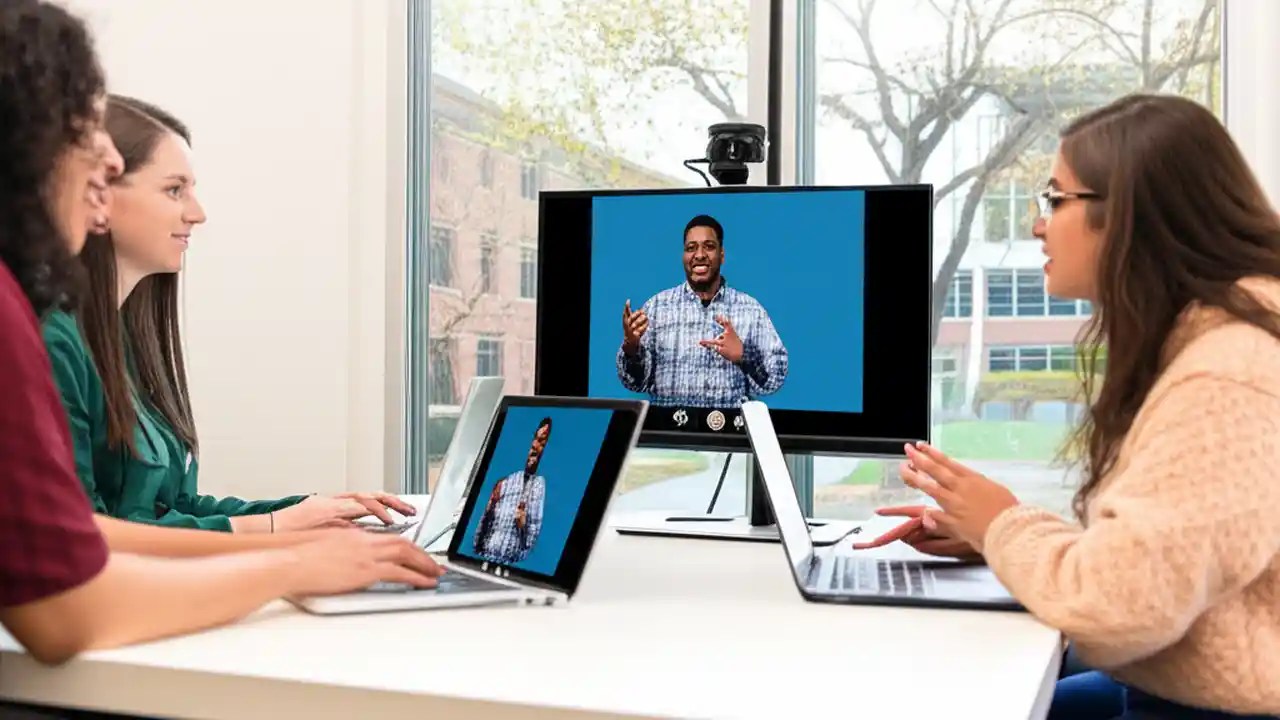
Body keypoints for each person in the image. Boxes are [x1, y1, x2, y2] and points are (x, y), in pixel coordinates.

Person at [0, 0, 441, 673]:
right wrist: (285, 556)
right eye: (84, 128)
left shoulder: (64, 325)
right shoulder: (29, 326)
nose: (107, 159)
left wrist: (289, 532)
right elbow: (70, 599)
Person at [859, 94, 1280, 719]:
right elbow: (1152, 564)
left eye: (1055, 201)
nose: (1037, 224)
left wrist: (1003, 525)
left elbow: (1116, 610)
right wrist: (990, 533)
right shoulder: (1216, 338)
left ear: (1132, 217)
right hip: (1177, 678)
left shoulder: (1230, 373)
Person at [41, 94, 414, 533]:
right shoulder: (53, 342)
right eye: (174, 189)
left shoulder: (125, 340)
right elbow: (88, 534)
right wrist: (275, 527)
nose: (197, 213)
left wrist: (309, 511)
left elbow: (172, 507)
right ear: (100, 190)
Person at [616, 214, 788, 408]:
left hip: (729, 433)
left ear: (721, 255)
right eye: (691, 248)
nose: (699, 255)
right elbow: (635, 383)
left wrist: (744, 355)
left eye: (709, 246)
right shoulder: (656, 308)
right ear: (683, 256)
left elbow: (775, 378)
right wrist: (631, 349)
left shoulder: (750, 309)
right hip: (668, 433)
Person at [474, 418, 550, 564]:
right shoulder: (505, 482)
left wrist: (522, 525)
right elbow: (479, 539)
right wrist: (489, 508)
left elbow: (529, 545)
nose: (534, 445)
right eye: (535, 439)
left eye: (542, 441)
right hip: (486, 560)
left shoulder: (539, 484)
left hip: (509, 564)